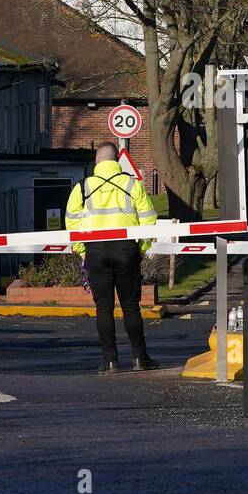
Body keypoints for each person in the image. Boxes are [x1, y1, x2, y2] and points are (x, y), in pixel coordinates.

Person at [66, 141, 160, 374]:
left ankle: (110, 361)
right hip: (126, 251)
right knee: (130, 306)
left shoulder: (82, 187)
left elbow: (72, 223)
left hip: (96, 252)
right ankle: (139, 358)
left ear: (97, 161)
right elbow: (148, 219)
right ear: (117, 161)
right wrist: (142, 247)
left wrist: (82, 250)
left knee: (103, 309)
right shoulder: (132, 185)